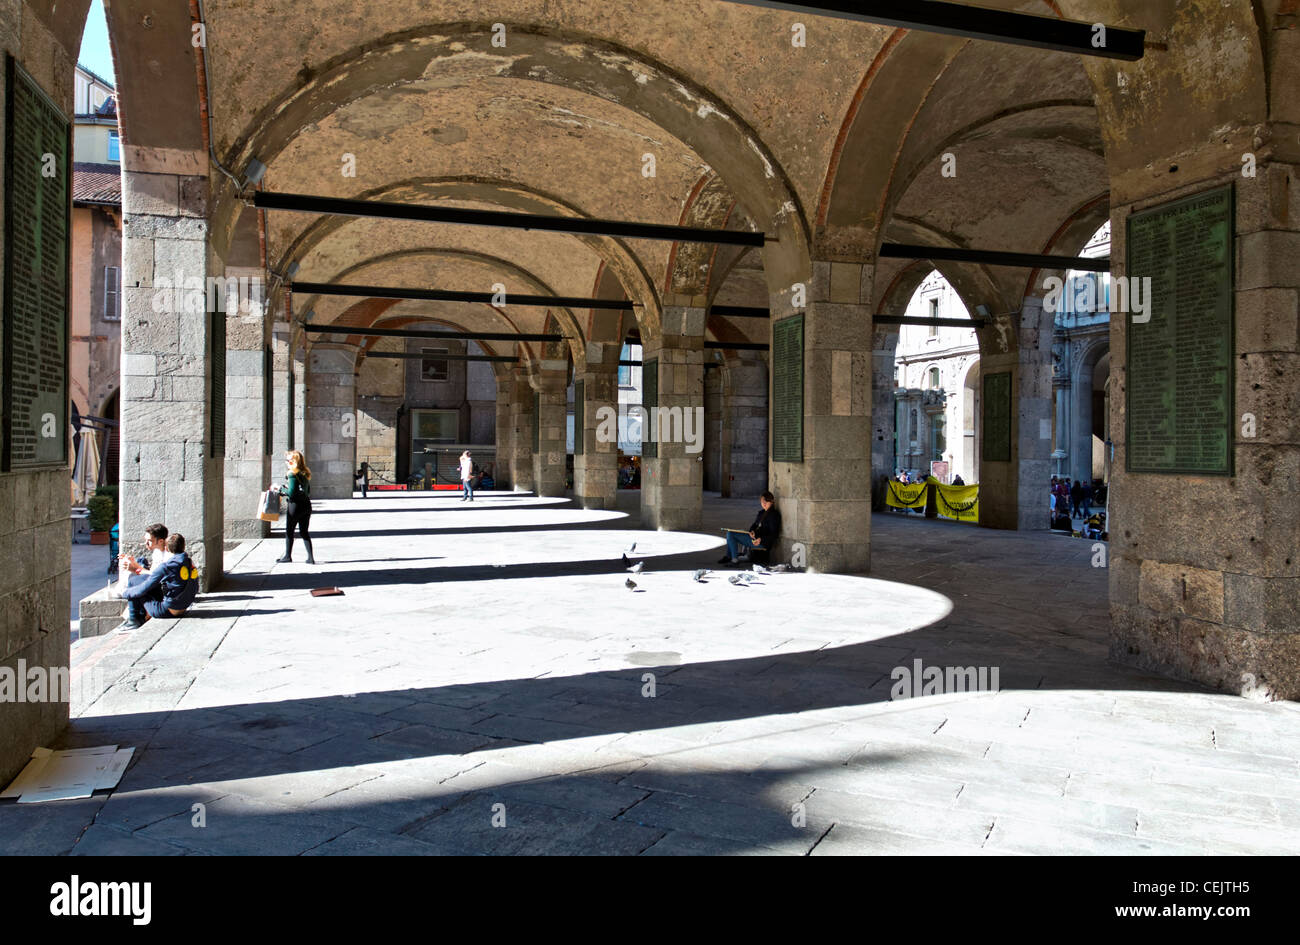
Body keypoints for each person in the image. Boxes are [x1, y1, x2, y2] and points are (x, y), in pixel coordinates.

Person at [116, 533, 199, 631]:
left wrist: (125, 592)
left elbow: (143, 588)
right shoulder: (189, 562)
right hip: (184, 607)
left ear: (167, 548)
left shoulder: (167, 566)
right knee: (143, 581)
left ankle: (134, 620)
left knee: (134, 581)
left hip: (167, 611)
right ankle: (140, 617)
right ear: (183, 546)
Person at [273, 450, 315, 564]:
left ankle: (287, 556)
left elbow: (291, 493)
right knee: (304, 531)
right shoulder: (304, 473)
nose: (286, 462)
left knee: (289, 531)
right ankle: (310, 558)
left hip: (295, 506)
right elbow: (308, 491)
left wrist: (281, 489)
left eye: (288, 460)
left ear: (293, 462)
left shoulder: (292, 474)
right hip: (306, 505)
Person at [718, 491, 781, 565]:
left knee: (731, 534)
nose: (764, 504)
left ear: (772, 502)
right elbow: (754, 525)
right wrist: (752, 531)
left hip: (762, 542)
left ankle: (734, 560)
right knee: (730, 532)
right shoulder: (761, 513)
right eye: (762, 501)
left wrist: (761, 539)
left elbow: (774, 534)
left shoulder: (774, 515)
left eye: (766, 501)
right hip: (754, 537)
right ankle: (729, 556)